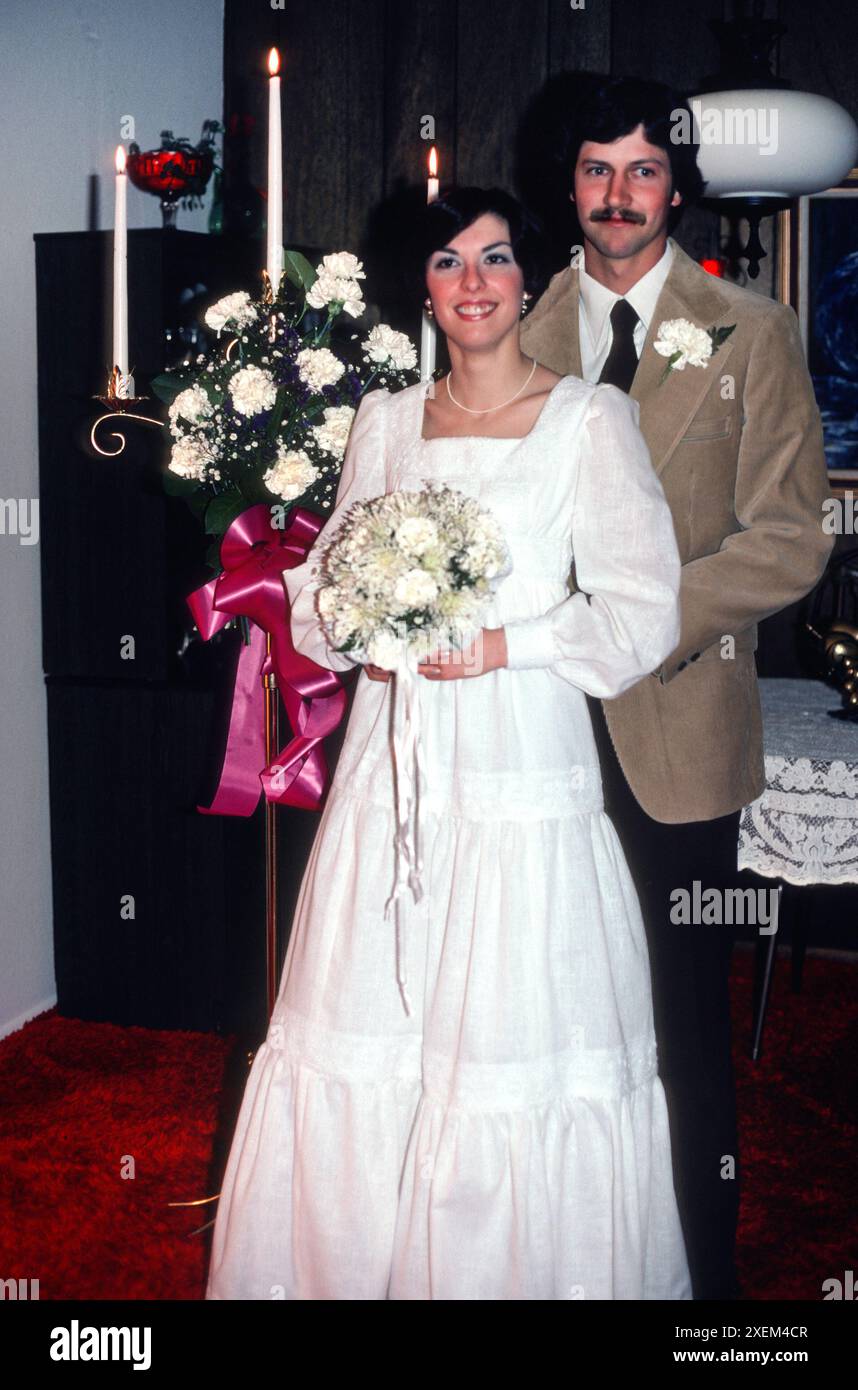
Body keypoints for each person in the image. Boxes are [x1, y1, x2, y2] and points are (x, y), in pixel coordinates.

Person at [205, 185, 692, 1300]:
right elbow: (325, 596)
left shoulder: (587, 420)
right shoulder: (384, 421)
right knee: (368, 1020)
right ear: (420, 287)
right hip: (395, 760)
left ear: (529, 279)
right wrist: (368, 621)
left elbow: (639, 611)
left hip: (523, 753)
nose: (473, 283)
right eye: (447, 261)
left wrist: (502, 644)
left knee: (508, 1033)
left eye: (496, 259)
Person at [519, 76, 834, 1300]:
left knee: (682, 1019)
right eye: (597, 169)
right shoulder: (509, 322)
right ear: (570, 183)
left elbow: (787, 538)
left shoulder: (745, 330)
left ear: (678, 187)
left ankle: (702, 1281)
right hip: (534, 721)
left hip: (676, 725)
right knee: (543, 997)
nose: (618, 195)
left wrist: (637, 621)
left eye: (643, 171)